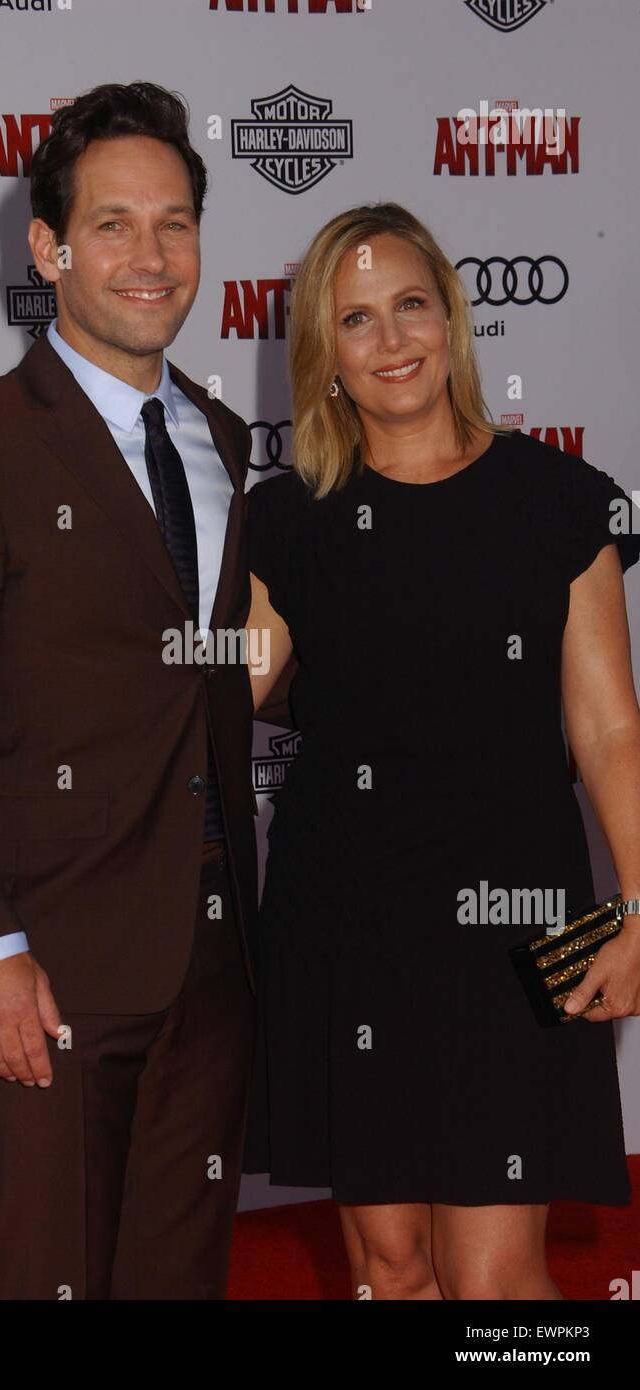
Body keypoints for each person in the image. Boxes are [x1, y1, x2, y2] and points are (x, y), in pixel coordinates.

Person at [0, 82, 258, 1300]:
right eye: (111, 225)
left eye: (175, 223)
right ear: (47, 249)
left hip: (212, 952)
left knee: (176, 1280)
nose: (150, 257)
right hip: (45, 963)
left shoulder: (221, 437)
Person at [244, 202, 640, 1300]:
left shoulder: (557, 499)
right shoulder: (287, 521)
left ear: (451, 318)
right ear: (325, 358)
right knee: (389, 1264)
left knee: (497, 1276)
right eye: (355, 320)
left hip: (519, 923)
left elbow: (608, 727)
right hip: (344, 920)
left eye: (409, 304)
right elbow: (228, 689)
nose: (391, 340)